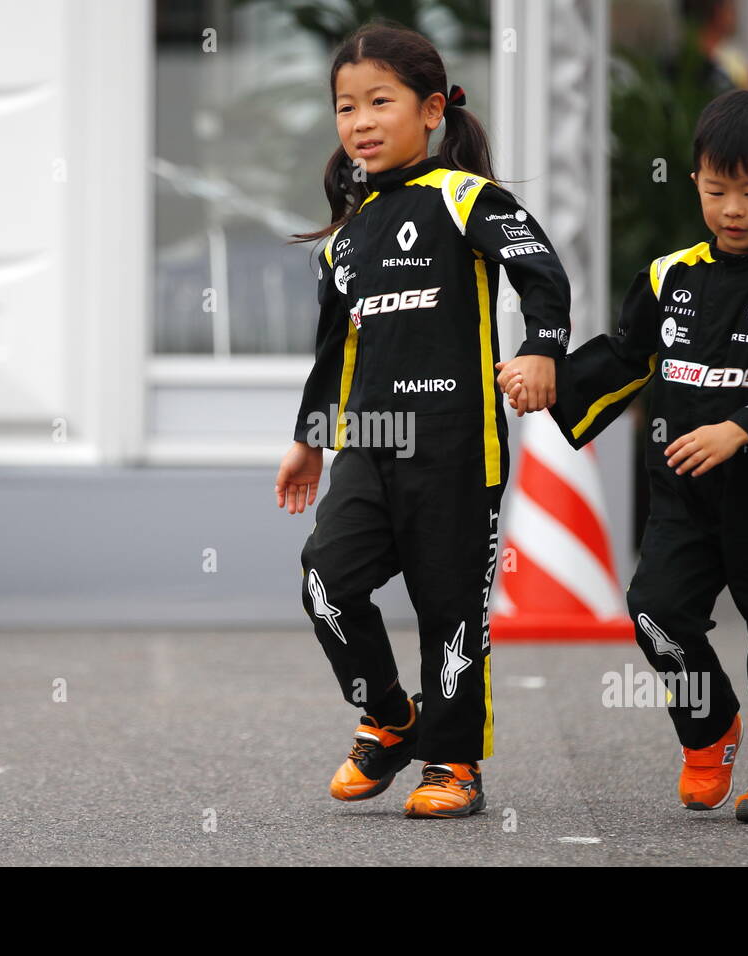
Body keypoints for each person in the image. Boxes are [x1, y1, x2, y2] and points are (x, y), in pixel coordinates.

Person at [503, 89, 748, 823]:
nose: (733, 209)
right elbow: (625, 356)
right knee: (654, 612)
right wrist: (549, 375)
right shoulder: (667, 277)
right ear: (695, 183)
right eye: (717, 190)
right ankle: (710, 729)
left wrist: (739, 428)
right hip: (683, 500)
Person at [274, 20, 571, 819]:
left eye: (380, 101)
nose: (360, 121)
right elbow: (334, 351)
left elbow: (542, 276)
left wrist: (543, 349)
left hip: (455, 449)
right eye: (345, 107)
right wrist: (310, 443)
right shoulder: (348, 237)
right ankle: (389, 715)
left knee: (450, 614)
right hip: (369, 447)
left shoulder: (467, 198)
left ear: (431, 108)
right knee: (326, 580)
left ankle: (452, 761)